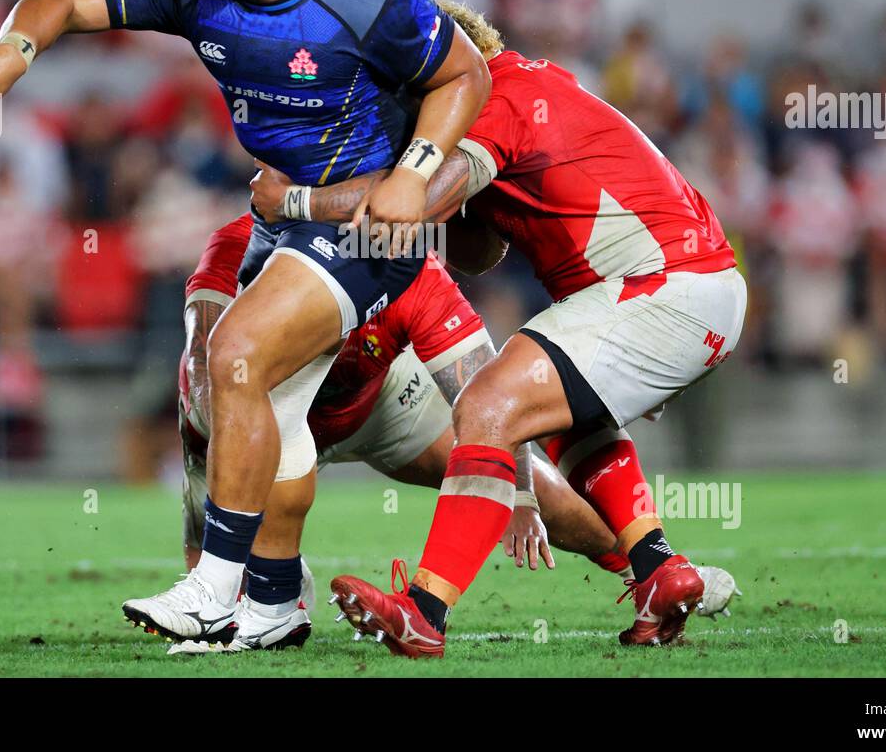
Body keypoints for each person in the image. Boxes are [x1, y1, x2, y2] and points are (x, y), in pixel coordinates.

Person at [0, 0, 491, 645]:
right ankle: (276, 604)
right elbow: (63, 2)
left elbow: (465, 76)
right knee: (250, 403)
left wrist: (417, 172)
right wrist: (8, 56)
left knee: (237, 354)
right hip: (280, 225)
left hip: (366, 228)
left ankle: (213, 587)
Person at [253, 0, 747, 655]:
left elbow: (415, 208)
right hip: (688, 286)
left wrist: (297, 200)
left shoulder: (492, 99)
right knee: (565, 419)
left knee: (488, 400)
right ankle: (659, 571)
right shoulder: (525, 88)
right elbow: (478, 250)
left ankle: (424, 612)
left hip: (663, 285)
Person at [122, 214, 740, 651]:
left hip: (383, 403)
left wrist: (520, 492)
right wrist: (225, 433)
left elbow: (486, 397)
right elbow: (205, 364)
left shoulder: (400, 264)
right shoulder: (237, 246)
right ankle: (272, 593)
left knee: (538, 493)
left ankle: (649, 566)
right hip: (252, 420)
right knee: (214, 596)